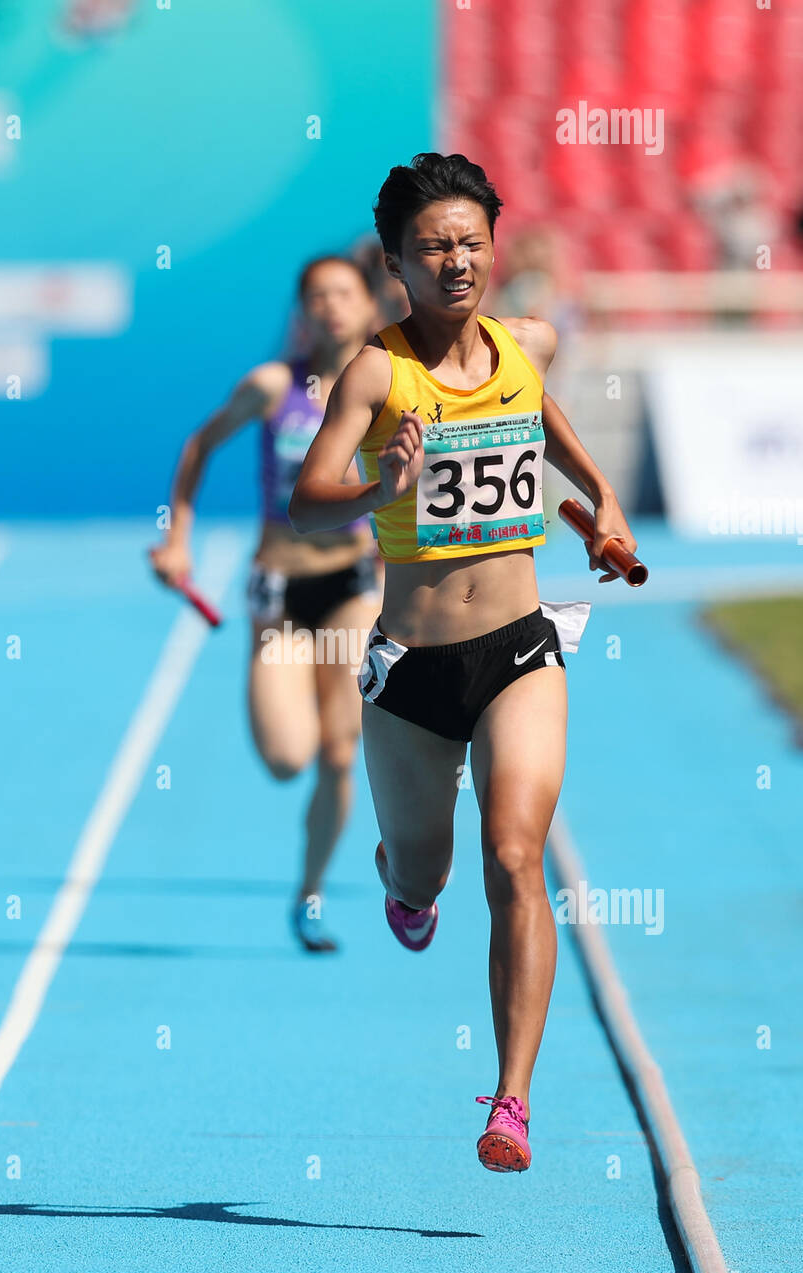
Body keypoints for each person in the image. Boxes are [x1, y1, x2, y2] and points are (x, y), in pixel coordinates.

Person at [289, 153, 637, 1171]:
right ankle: (402, 882)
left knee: (517, 855)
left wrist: (600, 501)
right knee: (430, 864)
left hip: (520, 649)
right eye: (434, 246)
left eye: (471, 242)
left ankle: (512, 1099)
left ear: (492, 245)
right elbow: (310, 494)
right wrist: (377, 485)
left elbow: (543, 417)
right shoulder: (376, 372)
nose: (456, 261)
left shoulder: (526, 341)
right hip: (412, 671)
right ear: (397, 260)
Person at [150, 256, 382, 953]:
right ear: (301, 313)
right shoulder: (272, 386)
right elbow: (199, 444)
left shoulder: (389, 384)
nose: (330, 307)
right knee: (287, 758)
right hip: (279, 593)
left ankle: (308, 894)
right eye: (316, 297)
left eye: (343, 293)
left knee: (340, 755)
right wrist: (177, 538)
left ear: (368, 307)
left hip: (350, 587)